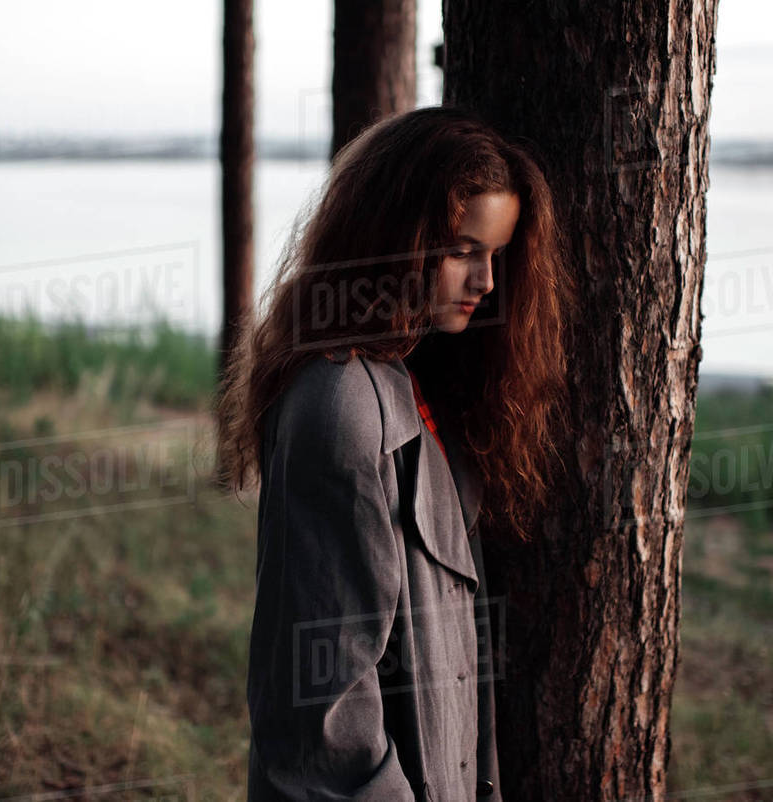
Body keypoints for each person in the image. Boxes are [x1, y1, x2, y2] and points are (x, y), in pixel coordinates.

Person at [214, 105, 571, 801]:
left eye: (495, 254)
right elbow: (323, 711)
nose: (487, 282)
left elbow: (461, 667)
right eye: (463, 250)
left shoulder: (414, 381)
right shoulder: (341, 406)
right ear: (396, 239)